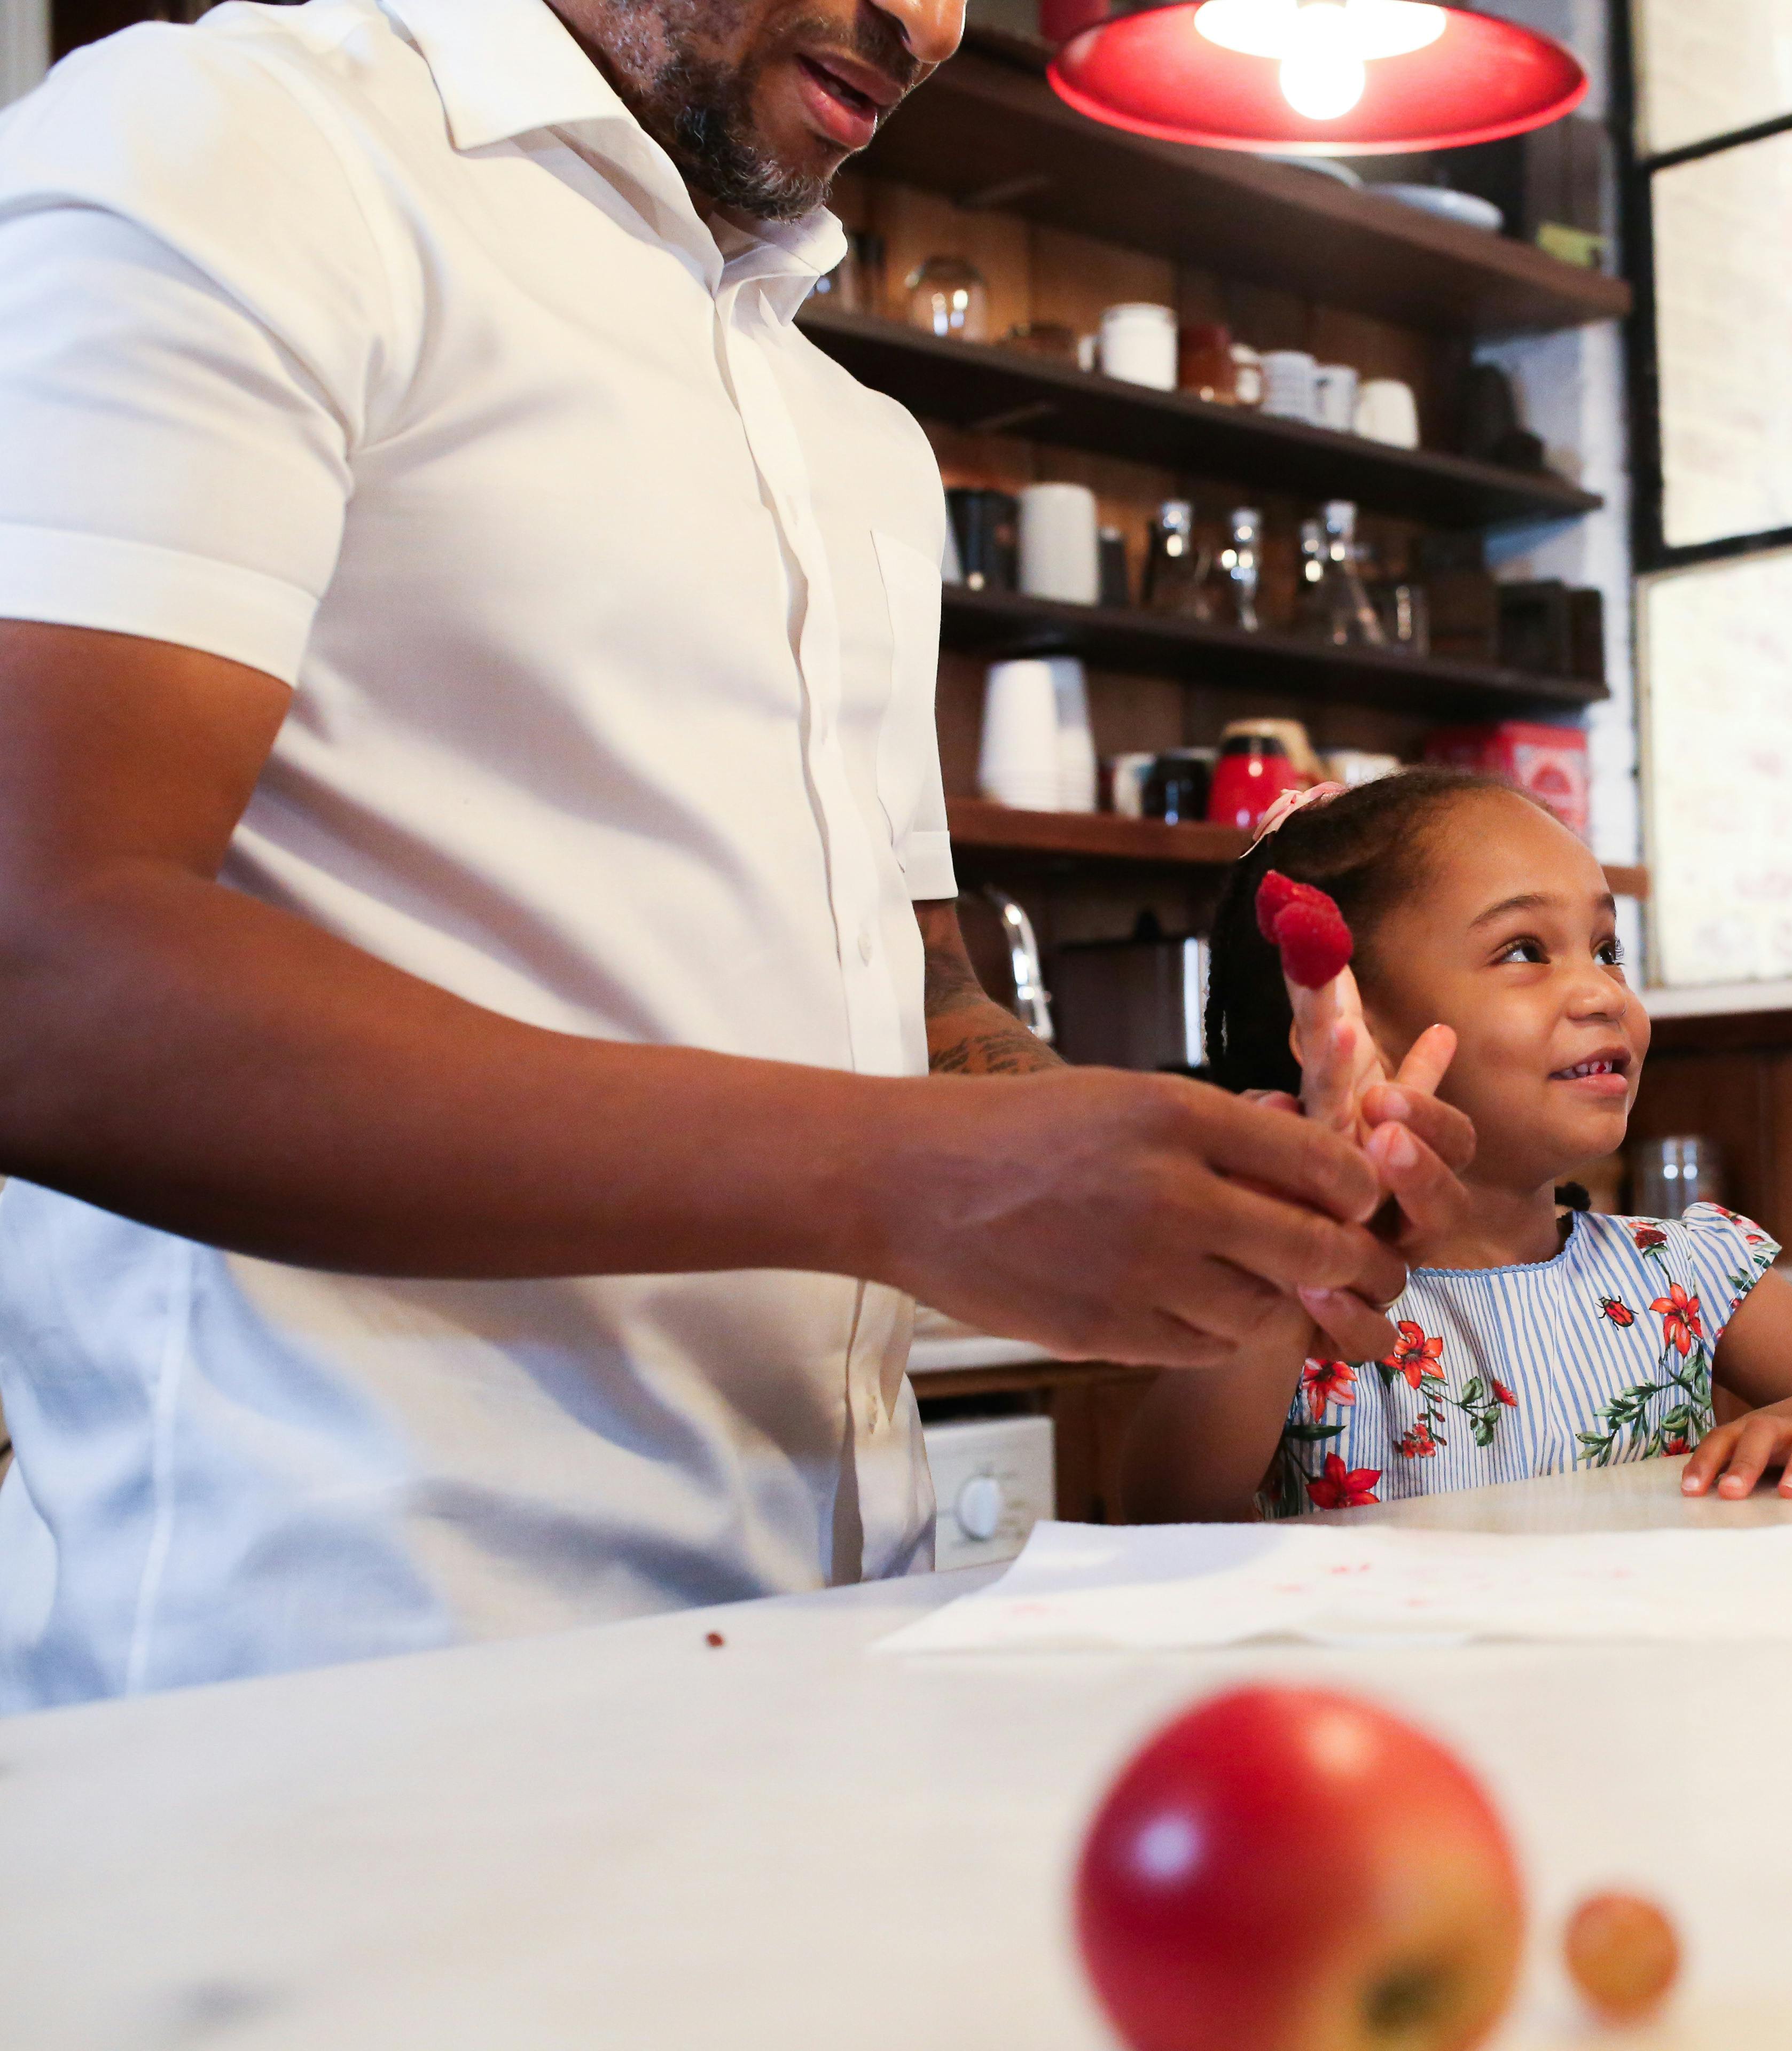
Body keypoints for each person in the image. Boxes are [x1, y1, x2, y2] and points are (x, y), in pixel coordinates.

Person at [0, 0, 1466, 1709]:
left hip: (832, 1648)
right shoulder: (245, 144)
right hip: (338, 1682)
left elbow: (916, 1001)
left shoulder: (858, 441)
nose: (926, 22)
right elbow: (46, 968)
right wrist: (902, 1182)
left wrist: (1197, 1182)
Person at [1120, 771, 1792, 1522]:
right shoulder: (1297, 1310)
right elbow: (1160, 1510)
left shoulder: (1680, 1279)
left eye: (1607, 948)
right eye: (1523, 951)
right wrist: (1303, 1259)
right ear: (1349, 1031)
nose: (1599, 991)